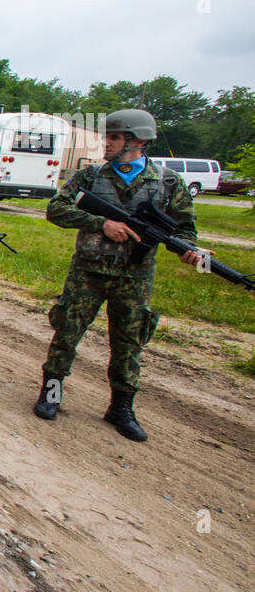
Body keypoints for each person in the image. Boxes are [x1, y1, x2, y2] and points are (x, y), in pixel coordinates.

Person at [33, 109, 204, 442]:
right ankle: (51, 393)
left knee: (129, 344)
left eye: (113, 138)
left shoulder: (167, 182)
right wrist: (101, 224)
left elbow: (186, 228)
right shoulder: (89, 177)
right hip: (88, 272)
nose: (105, 143)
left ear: (137, 141)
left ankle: (121, 408)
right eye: (105, 137)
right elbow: (56, 208)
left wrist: (190, 250)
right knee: (66, 334)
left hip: (135, 278)